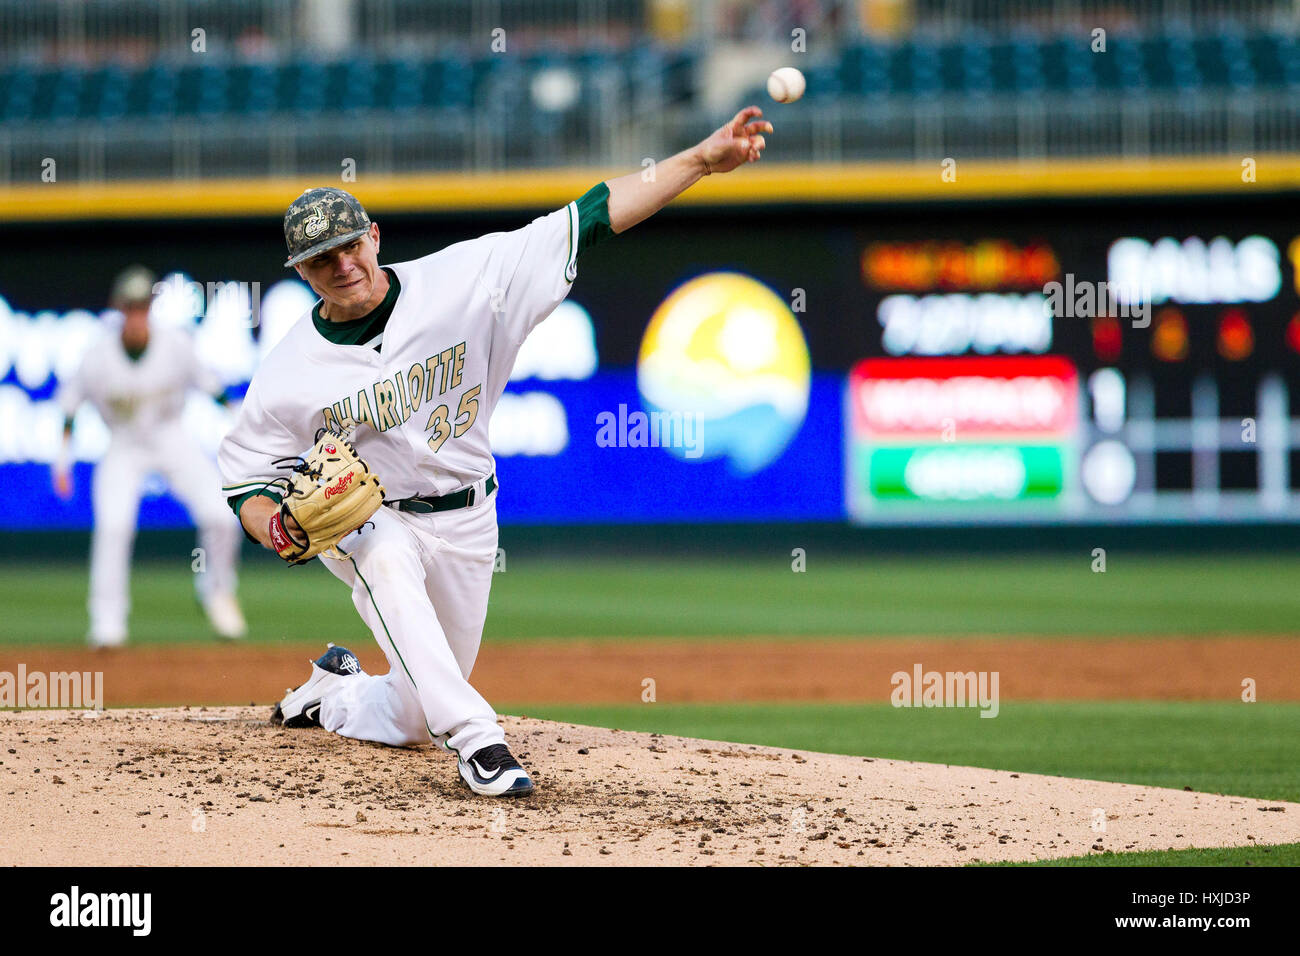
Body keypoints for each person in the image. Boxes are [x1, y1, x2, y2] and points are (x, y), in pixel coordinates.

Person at [219, 107, 773, 796]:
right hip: (375, 519)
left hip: (470, 518)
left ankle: (333, 694)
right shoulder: (287, 371)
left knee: (414, 708)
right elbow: (246, 481)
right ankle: (481, 742)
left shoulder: (466, 280)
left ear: (374, 237)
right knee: (383, 556)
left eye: (348, 245)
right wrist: (276, 526)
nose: (341, 264)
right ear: (301, 273)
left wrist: (696, 160)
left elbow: (590, 216)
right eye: (319, 258)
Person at [55, 266, 247, 647]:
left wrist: (242, 427)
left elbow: (214, 388)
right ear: (118, 308)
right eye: (131, 305)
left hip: (170, 436)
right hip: (123, 444)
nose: (138, 312)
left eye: (143, 304)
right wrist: (62, 462)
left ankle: (215, 590)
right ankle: (107, 622)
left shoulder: (175, 343)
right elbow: (69, 407)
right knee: (113, 527)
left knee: (221, 514)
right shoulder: (97, 356)